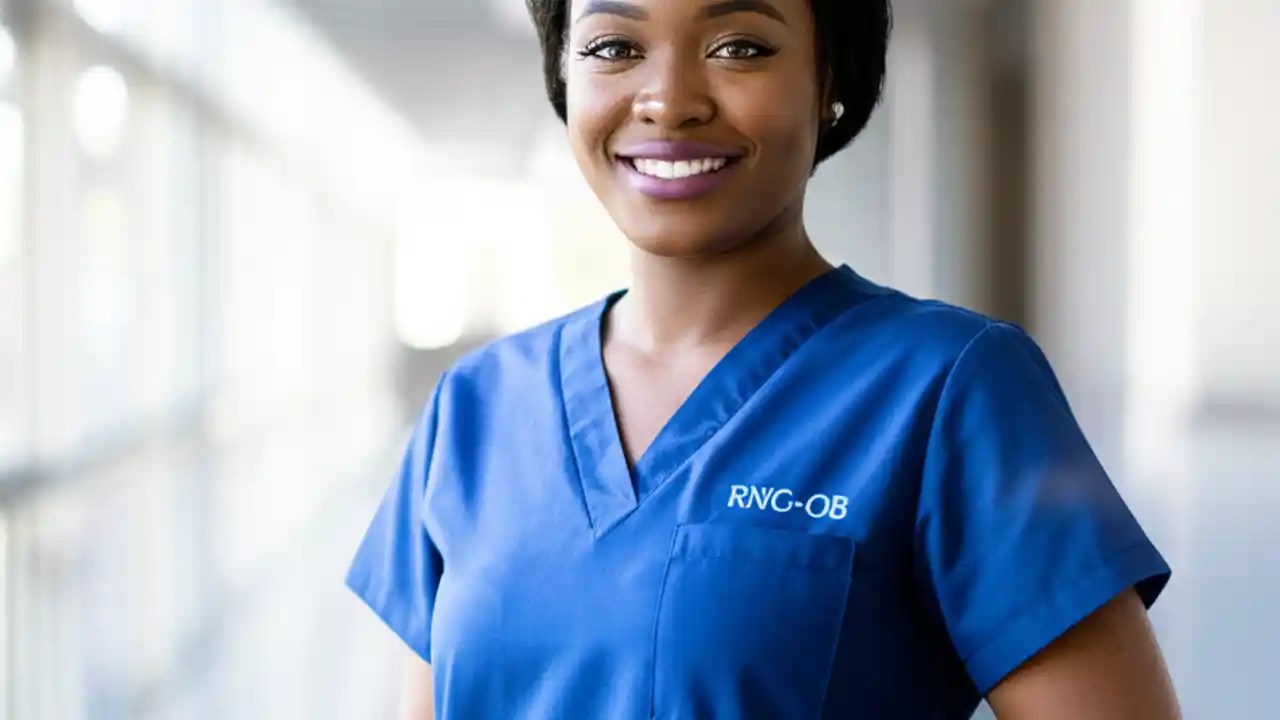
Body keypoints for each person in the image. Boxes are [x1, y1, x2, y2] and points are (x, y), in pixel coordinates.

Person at [346, 0, 1181, 717]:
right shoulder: (478, 405)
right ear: (565, 77)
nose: (668, 102)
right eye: (613, 47)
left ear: (831, 81)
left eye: (739, 46)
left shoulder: (949, 388)